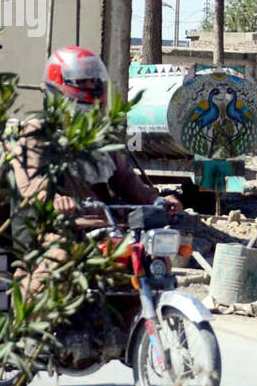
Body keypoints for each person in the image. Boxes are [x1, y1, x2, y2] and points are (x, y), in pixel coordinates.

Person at [12, 46, 181, 296]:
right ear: (62, 84)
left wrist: (155, 199)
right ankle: (24, 328)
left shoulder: (100, 134)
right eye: (83, 80)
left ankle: (139, 327)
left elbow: (125, 178)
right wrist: (55, 200)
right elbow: (30, 181)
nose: (91, 86)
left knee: (153, 265)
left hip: (106, 227)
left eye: (93, 79)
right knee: (55, 272)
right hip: (58, 229)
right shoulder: (38, 132)